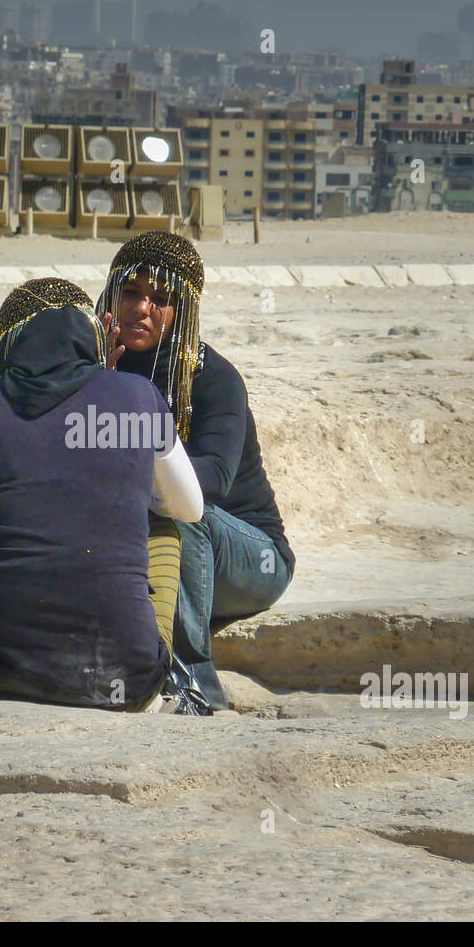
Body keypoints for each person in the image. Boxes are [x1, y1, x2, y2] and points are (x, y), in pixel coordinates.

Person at [0, 278, 203, 711]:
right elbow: (190, 508)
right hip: (124, 677)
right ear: (92, 338)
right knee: (163, 526)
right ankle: (177, 677)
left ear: (7, 343)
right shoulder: (139, 395)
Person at [97, 232, 295, 711]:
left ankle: (194, 680)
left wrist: (135, 469)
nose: (141, 308)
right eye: (131, 293)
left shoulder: (214, 378)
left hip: (248, 557)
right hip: (151, 546)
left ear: (182, 310)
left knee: (185, 505)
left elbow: (213, 479)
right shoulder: (91, 368)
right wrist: (95, 382)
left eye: (160, 299)